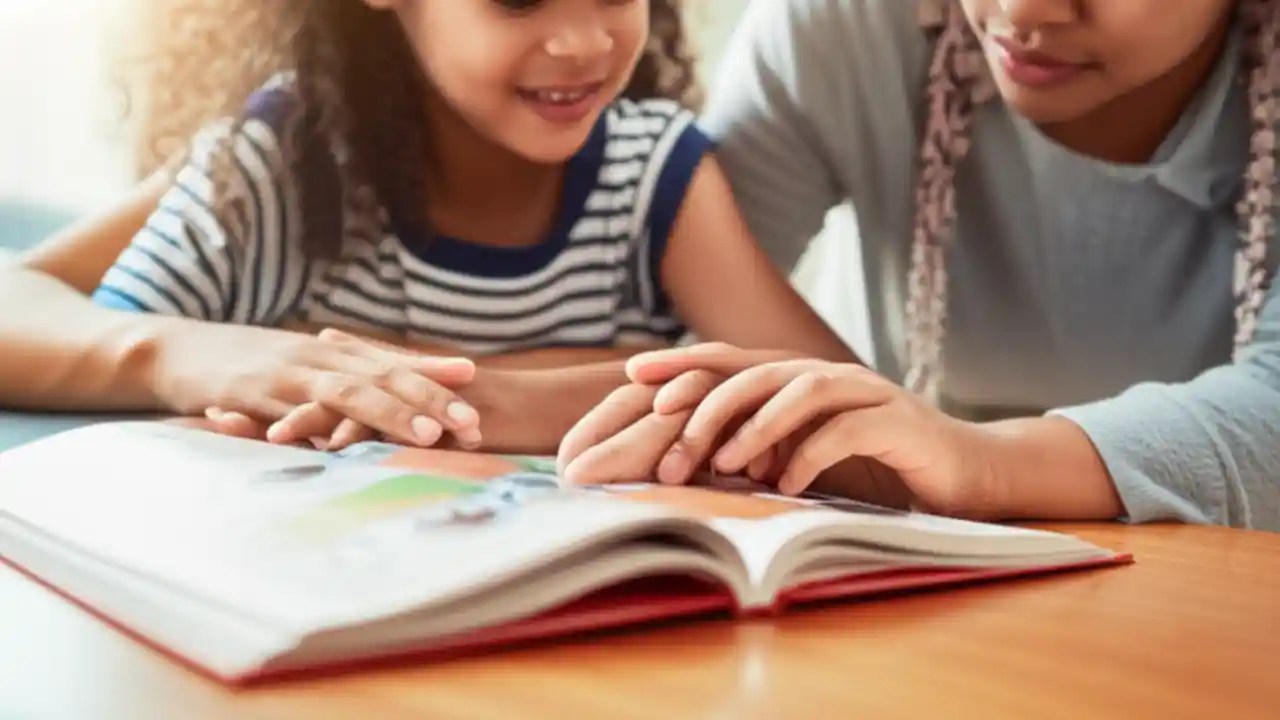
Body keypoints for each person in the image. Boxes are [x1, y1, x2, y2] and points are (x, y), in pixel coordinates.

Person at [0, 0, 851, 452]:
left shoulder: (654, 174)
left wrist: (462, 389)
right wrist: (194, 351)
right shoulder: (280, 176)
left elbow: (830, 398)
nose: (586, 39)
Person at [558, 0, 1280, 530]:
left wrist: (979, 464)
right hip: (880, 562)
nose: (1023, 9)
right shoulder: (842, 24)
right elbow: (664, 333)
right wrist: (473, 397)